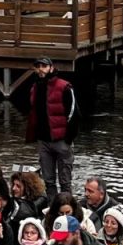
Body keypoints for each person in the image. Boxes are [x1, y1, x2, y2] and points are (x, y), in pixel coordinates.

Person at [23, 56, 79, 195]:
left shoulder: (64, 86)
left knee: (65, 181)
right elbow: (33, 112)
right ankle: (51, 209)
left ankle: (67, 209)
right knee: (48, 181)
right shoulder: (35, 87)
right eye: (38, 66)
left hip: (61, 140)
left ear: (51, 68)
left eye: (44, 66)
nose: (41, 69)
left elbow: (74, 113)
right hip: (43, 141)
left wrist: (68, 139)